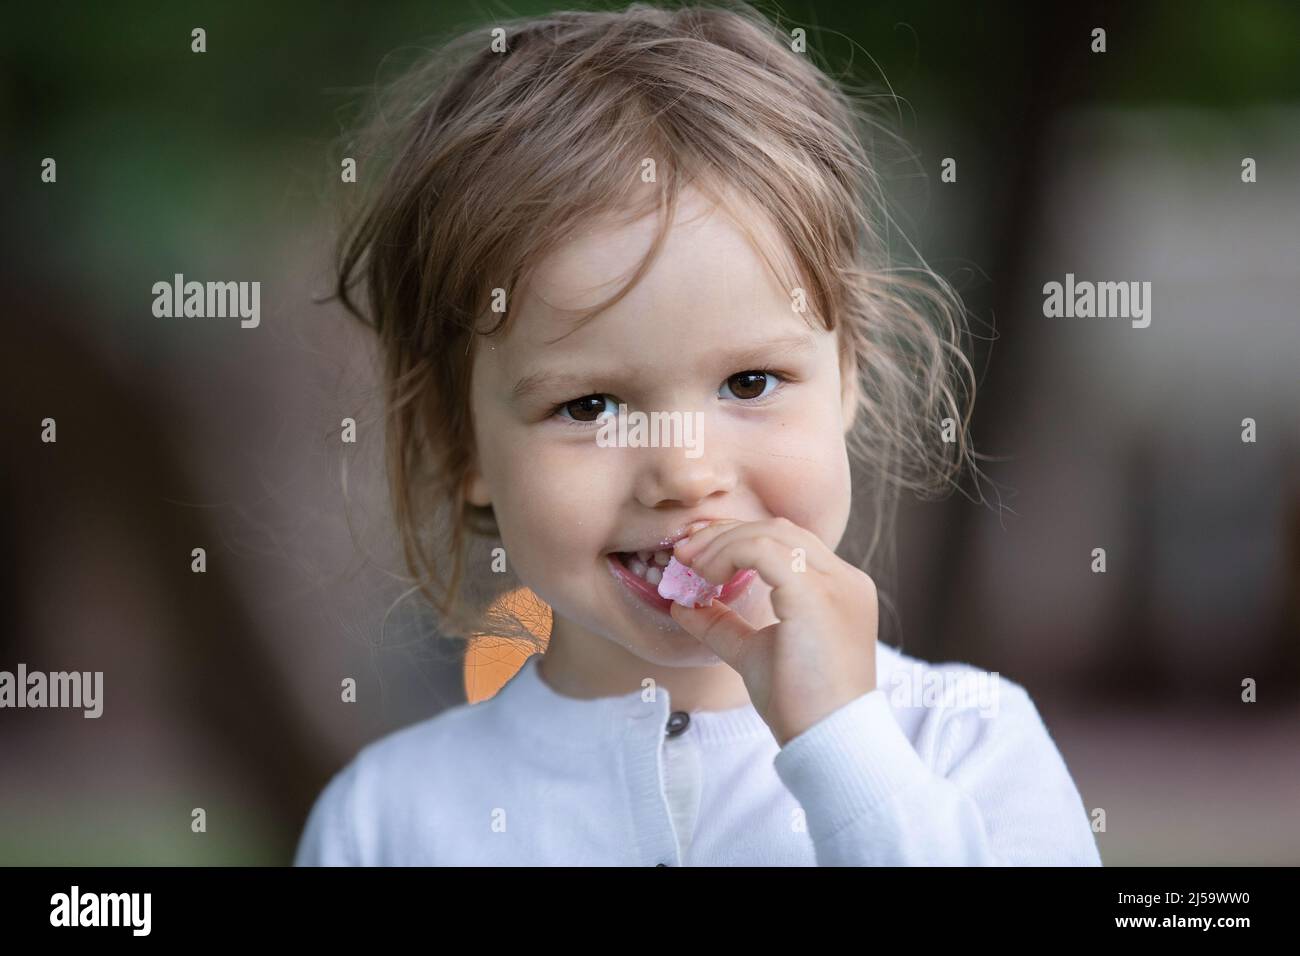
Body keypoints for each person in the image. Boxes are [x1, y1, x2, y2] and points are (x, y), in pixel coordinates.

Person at [294, 1, 1102, 866]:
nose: (684, 471)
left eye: (750, 382)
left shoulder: (967, 745)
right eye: (590, 405)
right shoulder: (386, 821)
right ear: (460, 445)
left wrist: (847, 748)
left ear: (848, 380)